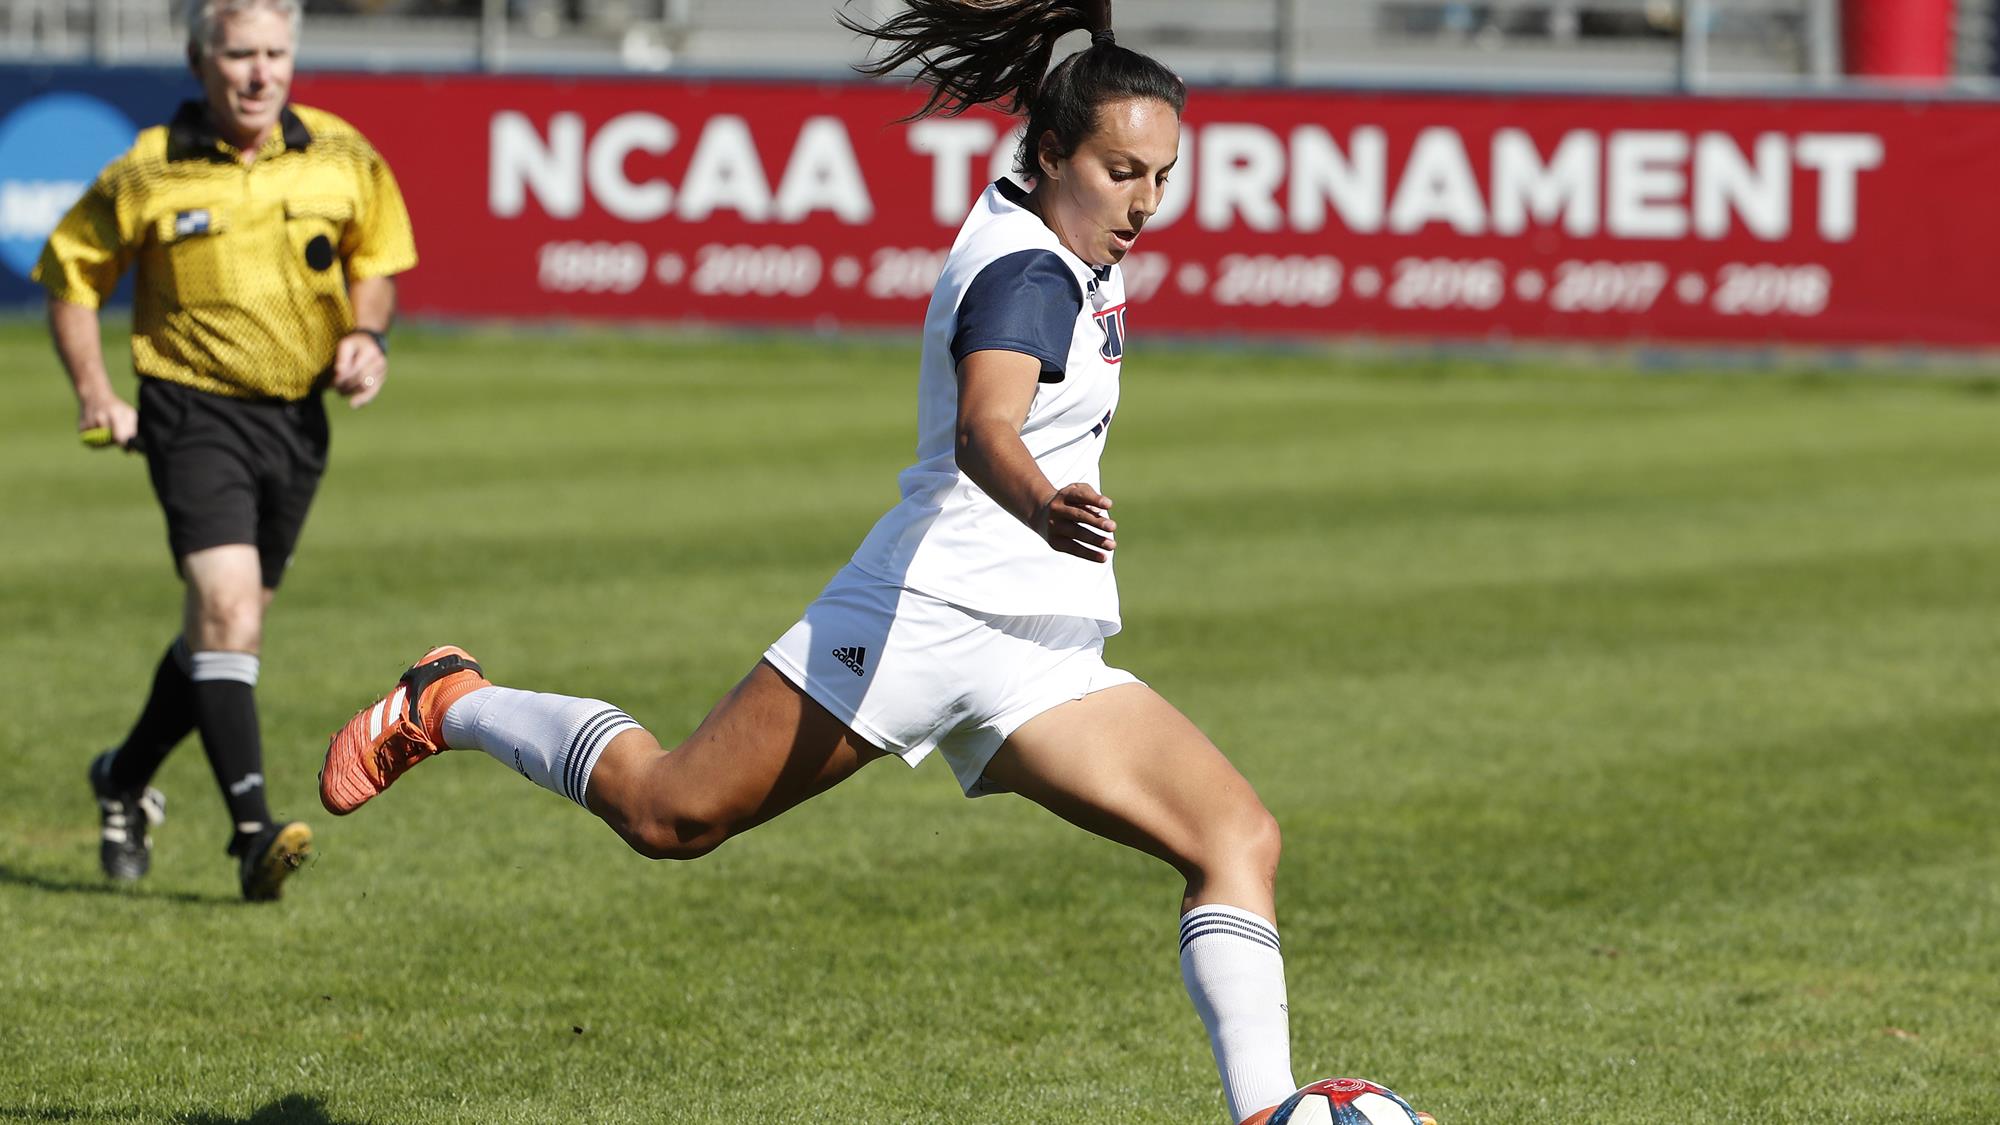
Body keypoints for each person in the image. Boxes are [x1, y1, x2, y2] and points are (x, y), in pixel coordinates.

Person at [318, 1, 1429, 1121]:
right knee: (671, 814)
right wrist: (1042, 505)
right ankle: (449, 700)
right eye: (1121, 170)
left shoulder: (1055, 211)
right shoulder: (1027, 276)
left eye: (1161, 174)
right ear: (1050, 155)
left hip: (1034, 643)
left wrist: (1083, 32)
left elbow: (1073, 99)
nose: (1144, 202)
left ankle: (1266, 1111)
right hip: (924, 612)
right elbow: (984, 429)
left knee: (1233, 837)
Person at [37, 0, 416, 901]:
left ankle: (122, 777)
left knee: (225, 630)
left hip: (297, 421)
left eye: (276, 53)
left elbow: (377, 263)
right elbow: (71, 276)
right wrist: (98, 394)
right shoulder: (147, 167)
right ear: (199, 59)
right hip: (189, 410)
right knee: (227, 606)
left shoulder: (342, 151)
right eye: (240, 53)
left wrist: (368, 337)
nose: (259, 73)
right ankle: (252, 834)